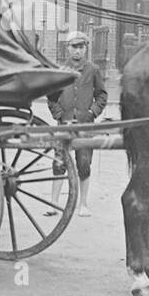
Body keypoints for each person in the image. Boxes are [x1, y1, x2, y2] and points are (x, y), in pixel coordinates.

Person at [46, 29, 107, 217]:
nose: (77, 51)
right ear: (68, 48)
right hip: (64, 123)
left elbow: (102, 95)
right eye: (74, 47)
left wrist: (91, 113)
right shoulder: (61, 70)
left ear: (86, 49)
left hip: (84, 125)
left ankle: (83, 204)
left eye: (81, 47)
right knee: (59, 162)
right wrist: (58, 114)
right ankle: (53, 203)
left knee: (84, 163)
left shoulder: (93, 70)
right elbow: (51, 97)